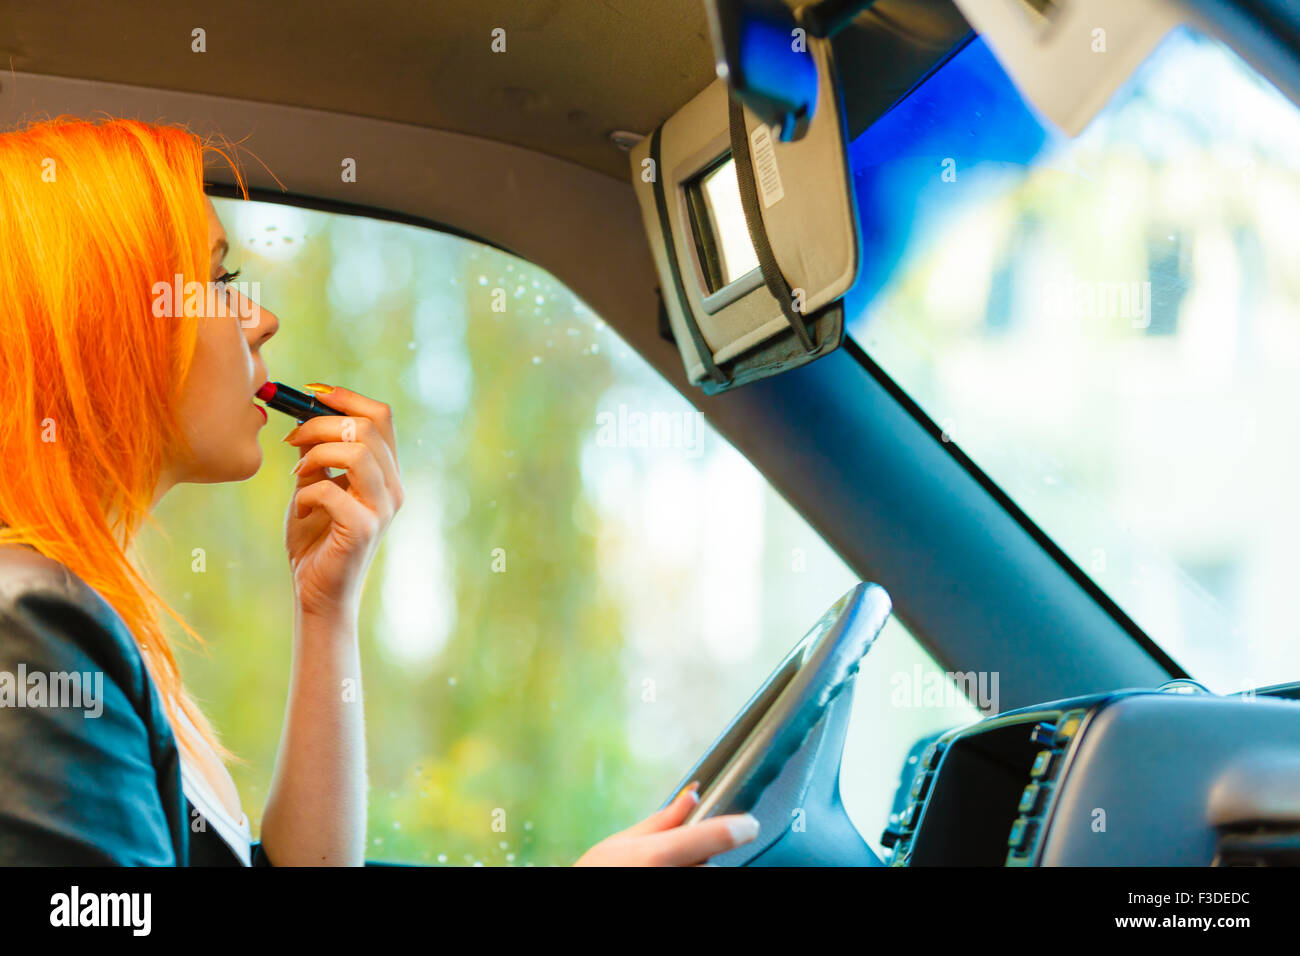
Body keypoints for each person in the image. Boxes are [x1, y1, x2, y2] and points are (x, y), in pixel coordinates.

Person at [0, 115, 759, 866]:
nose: (261, 319)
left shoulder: (78, 608)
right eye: (217, 280)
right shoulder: (29, 624)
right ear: (97, 319)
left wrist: (325, 606)